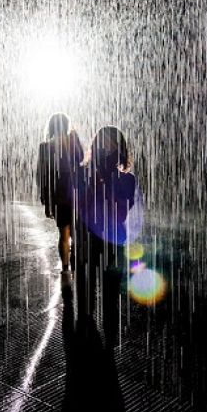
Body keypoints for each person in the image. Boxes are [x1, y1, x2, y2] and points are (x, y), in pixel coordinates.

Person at [74, 126, 139, 344]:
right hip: (88, 237)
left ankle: (108, 337)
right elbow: (79, 207)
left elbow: (122, 210)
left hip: (112, 239)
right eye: (102, 144)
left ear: (119, 150)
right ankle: (87, 334)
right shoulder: (83, 174)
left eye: (111, 145)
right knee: (86, 292)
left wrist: (105, 187)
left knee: (110, 293)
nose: (106, 149)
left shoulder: (126, 180)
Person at [36, 113, 84, 275]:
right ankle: (75, 264)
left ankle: (65, 268)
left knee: (64, 234)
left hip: (58, 195)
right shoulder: (72, 142)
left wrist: (46, 199)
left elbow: (42, 176)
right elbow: (81, 159)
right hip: (76, 194)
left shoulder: (45, 147)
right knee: (77, 234)